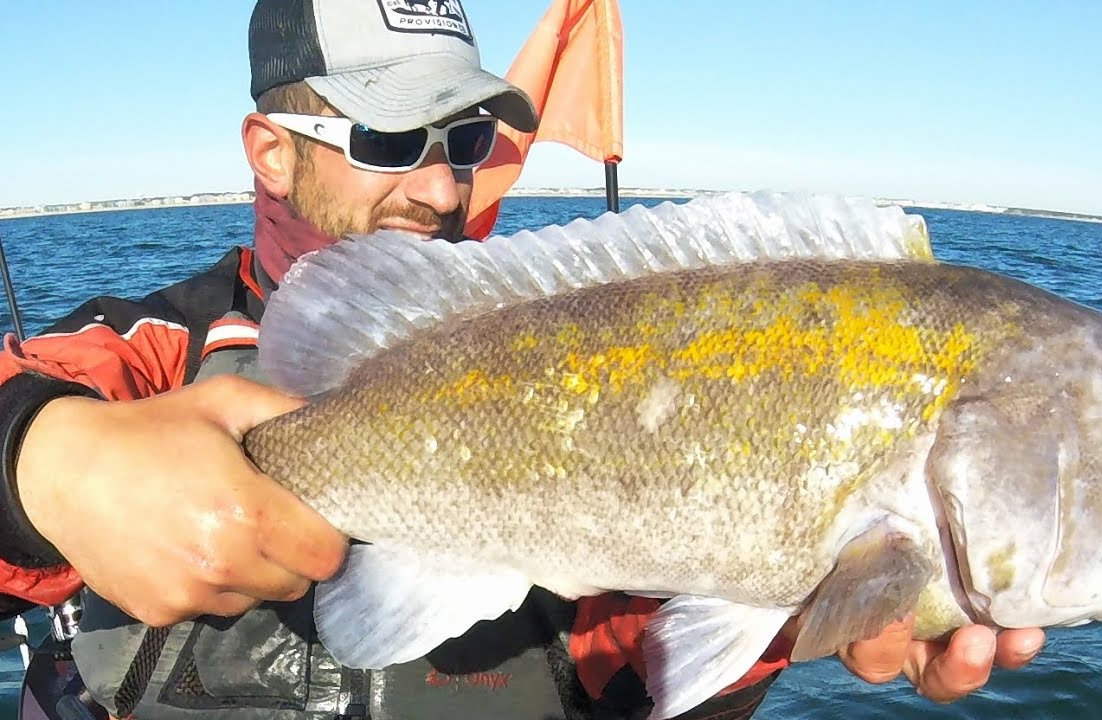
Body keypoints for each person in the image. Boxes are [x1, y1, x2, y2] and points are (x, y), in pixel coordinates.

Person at [0, 1, 1045, 718]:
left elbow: (638, 664)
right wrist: (56, 461)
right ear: (270, 148)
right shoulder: (152, 352)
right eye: (387, 140)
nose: (443, 191)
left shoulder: (591, 354)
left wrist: (809, 611)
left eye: (458, 141)